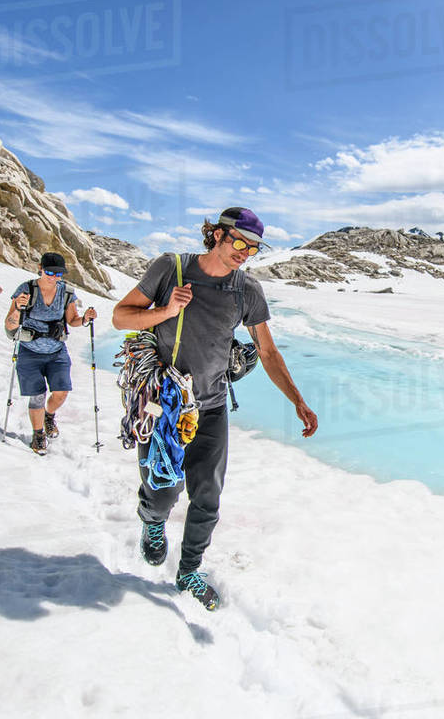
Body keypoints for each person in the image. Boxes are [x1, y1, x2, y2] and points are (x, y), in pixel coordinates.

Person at [112, 207, 318, 610]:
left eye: (254, 247)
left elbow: (268, 350)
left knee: (207, 497)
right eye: (239, 241)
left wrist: (298, 400)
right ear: (218, 235)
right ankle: (152, 522)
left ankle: (189, 570)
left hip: (211, 407)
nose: (245, 252)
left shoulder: (247, 290)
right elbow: (121, 316)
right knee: (162, 491)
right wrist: (166, 312)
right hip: (163, 405)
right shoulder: (170, 269)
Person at [4, 252, 97, 454]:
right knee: (37, 396)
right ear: (40, 268)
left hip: (57, 351)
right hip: (30, 351)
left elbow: (72, 320)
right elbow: (9, 325)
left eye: (58, 274)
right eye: (49, 272)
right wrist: (18, 310)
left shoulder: (66, 293)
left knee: (61, 392)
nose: (54, 277)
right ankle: (38, 435)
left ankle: (49, 415)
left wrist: (85, 319)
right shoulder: (26, 290)